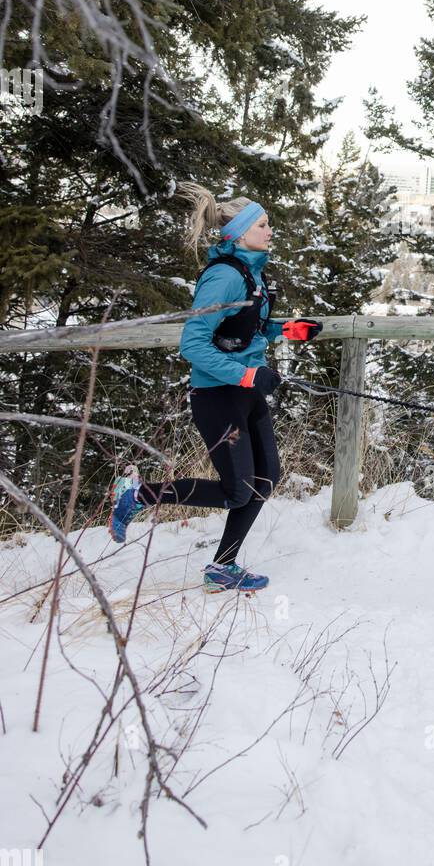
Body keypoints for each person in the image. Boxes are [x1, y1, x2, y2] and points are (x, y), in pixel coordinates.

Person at [108, 183, 322, 592]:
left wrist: (288, 330)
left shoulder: (251, 272)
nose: (270, 230)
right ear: (240, 234)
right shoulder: (223, 277)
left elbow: (246, 328)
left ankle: (222, 567)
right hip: (218, 397)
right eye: (263, 225)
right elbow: (193, 343)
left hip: (247, 393)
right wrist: (245, 375)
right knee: (236, 491)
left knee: (265, 478)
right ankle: (138, 494)